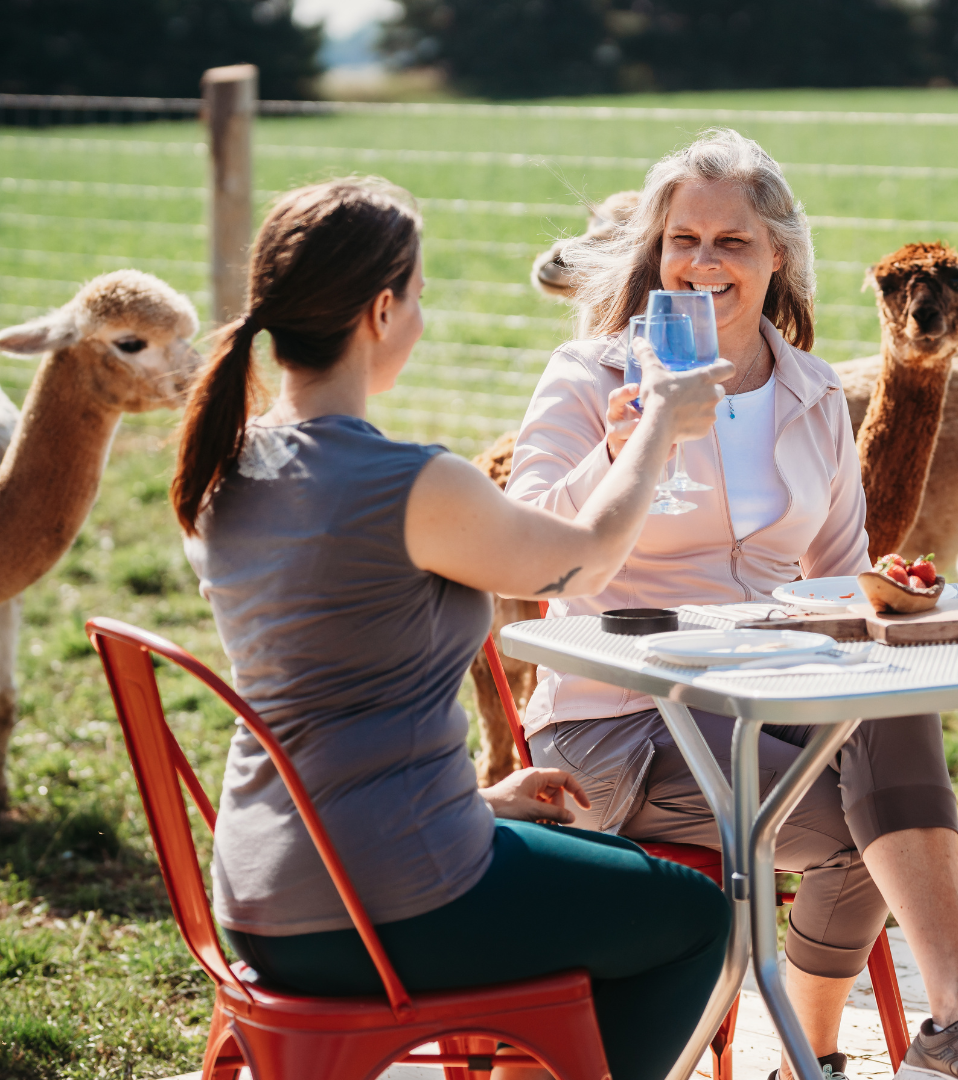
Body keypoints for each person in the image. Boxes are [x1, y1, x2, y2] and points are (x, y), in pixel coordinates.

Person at [173, 178, 736, 1080]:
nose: (424, 316)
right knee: (696, 915)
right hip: (392, 905)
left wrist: (475, 804)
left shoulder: (229, 468)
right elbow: (585, 562)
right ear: (384, 310)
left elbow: (332, 691)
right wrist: (663, 421)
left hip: (257, 893)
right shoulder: (409, 483)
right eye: (422, 296)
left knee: (598, 872)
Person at [509, 128, 958, 1080]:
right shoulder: (594, 377)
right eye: (684, 240)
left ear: (779, 257)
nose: (703, 263)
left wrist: (880, 622)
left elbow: (842, 581)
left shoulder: (811, 392)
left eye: (732, 243)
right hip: (622, 717)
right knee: (876, 834)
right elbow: (537, 560)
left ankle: (946, 1022)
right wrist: (626, 452)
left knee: (888, 693)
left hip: (769, 694)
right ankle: (831, 1055)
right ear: (655, 251)